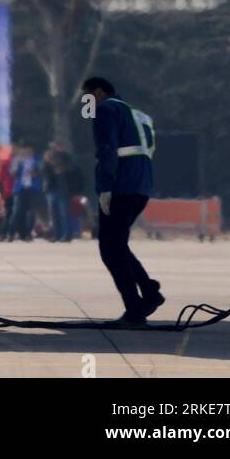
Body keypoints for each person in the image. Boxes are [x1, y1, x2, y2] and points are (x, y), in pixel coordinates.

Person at [82, 76, 164, 325]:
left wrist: (105, 186)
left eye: (87, 97)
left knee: (110, 249)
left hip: (120, 186)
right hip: (141, 187)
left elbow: (107, 148)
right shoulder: (138, 115)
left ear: (98, 92)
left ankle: (136, 308)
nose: (86, 103)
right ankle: (148, 292)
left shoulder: (106, 110)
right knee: (117, 245)